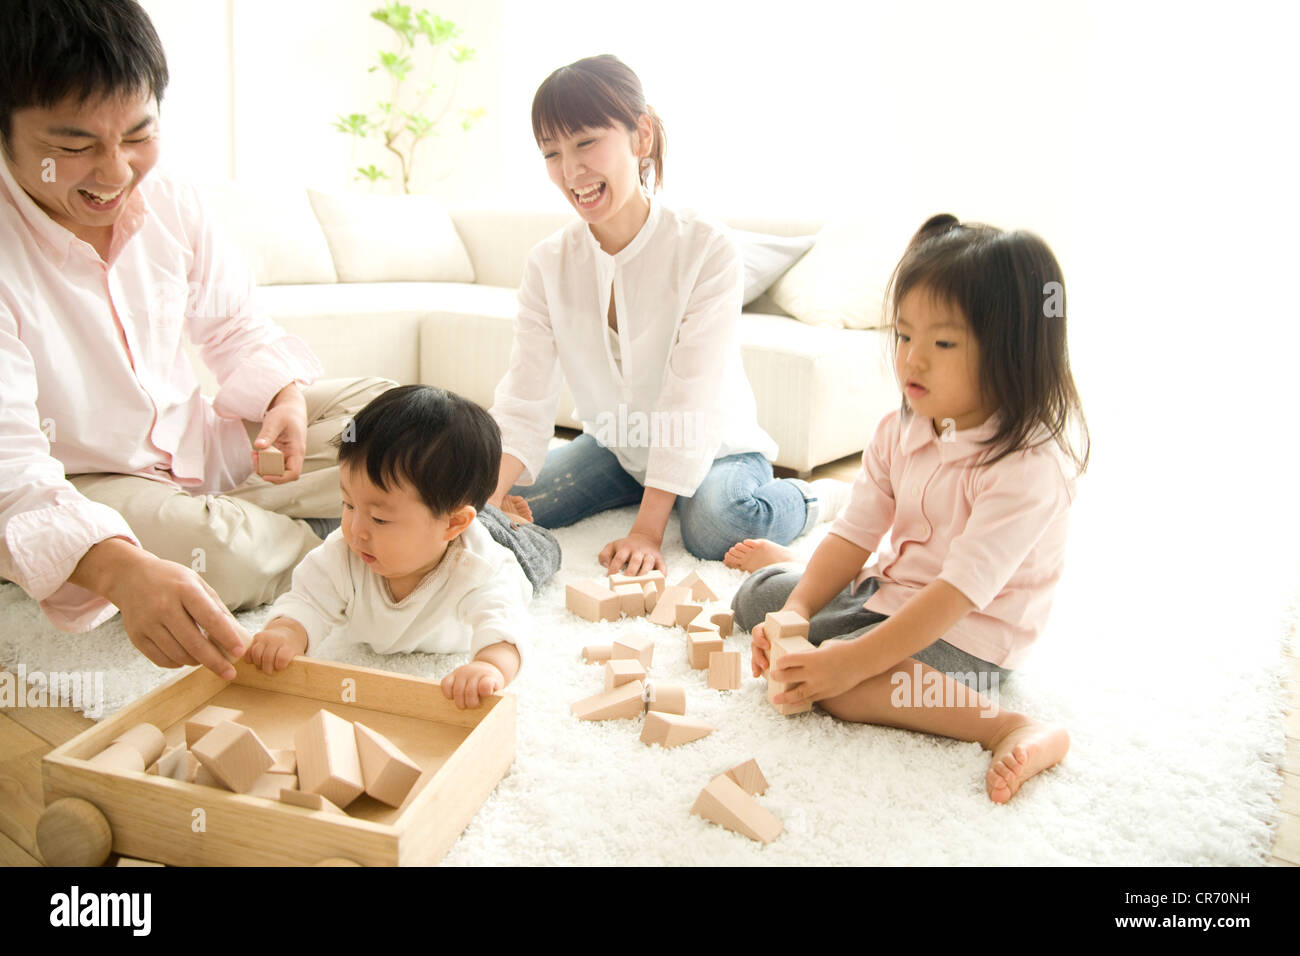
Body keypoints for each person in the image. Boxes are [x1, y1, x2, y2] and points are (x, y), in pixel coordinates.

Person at [0, 0, 394, 680]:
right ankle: (380, 541)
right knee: (223, 549)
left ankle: (367, 512)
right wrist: (121, 572)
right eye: (72, 148)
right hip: (87, 482)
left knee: (391, 412)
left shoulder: (172, 200)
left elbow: (233, 325)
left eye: (138, 135)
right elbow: (11, 472)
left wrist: (283, 397)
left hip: (196, 440)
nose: (116, 173)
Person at [730, 214, 1090, 803]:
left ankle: (1009, 727)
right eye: (902, 336)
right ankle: (797, 579)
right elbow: (855, 532)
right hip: (890, 592)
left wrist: (847, 665)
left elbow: (953, 595)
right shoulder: (900, 427)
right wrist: (795, 611)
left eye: (942, 343)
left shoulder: (1028, 467)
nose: (911, 360)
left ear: (1013, 350)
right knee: (757, 602)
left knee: (842, 688)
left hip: (969, 634)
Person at [488, 54, 848, 577]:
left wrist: (646, 531)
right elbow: (524, 396)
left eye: (586, 142)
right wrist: (487, 504)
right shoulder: (549, 263)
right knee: (510, 505)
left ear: (642, 136)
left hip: (714, 446)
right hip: (618, 447)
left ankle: (816, 499)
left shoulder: (706, 247)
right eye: (552, 152)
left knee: (716, 528)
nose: (570, 171)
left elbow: (692, 396)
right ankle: (643, 491)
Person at [247, 386, 558, 709]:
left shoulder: (483, 567)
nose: (355, 529)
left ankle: (508, 520)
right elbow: (307, 600)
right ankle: (494, 513)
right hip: (447, 524)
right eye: (348, 504)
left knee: (539, 551)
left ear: (453, 524)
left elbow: (505, 624)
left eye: (379, 519)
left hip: (499, 542)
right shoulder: (344, 550)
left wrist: (489, 666)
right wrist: (286, 632)